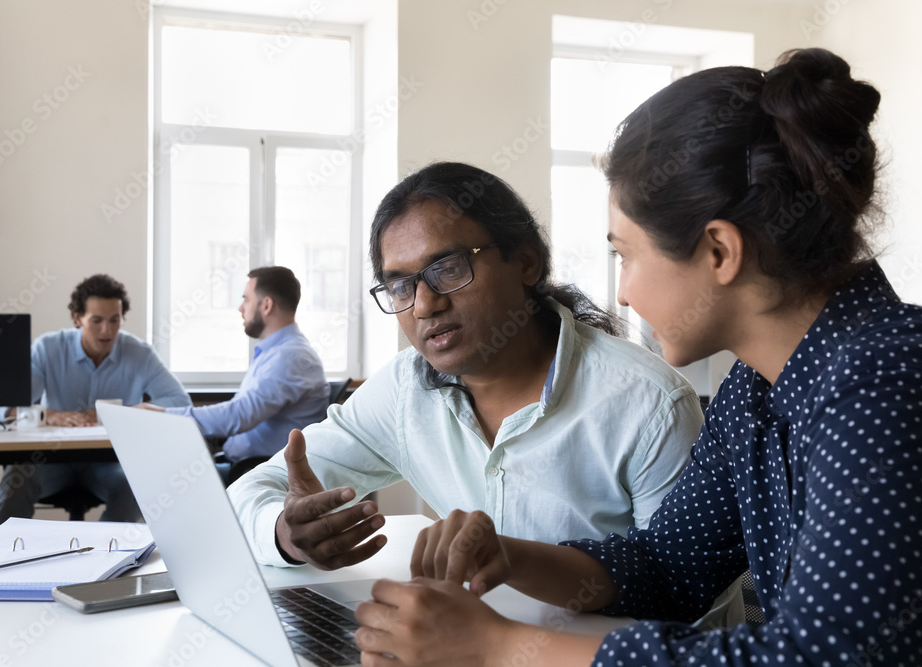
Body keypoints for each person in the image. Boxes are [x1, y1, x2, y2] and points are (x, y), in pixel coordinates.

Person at [353, 49, 922, 666]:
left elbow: (819, 657)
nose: (621, 291)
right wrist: (510, 556)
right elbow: (669, 567)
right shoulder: (754, 390)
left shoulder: (888, 379)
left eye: (627, 255)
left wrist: (497, 646)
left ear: (719, 253)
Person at [228, 161, 705, 573]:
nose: (424, 305)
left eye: (449, 268)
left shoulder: (648, 405)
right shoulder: (406, 388)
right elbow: (255, 488)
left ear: (526, 263)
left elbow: (684, 604)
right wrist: (286, 534)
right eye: (400, 286)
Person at [0, 274, 190, 526]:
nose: (107, 330)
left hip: (110, 462)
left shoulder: (139, 354)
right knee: (16, 476)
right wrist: (48, 414)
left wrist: (117, 414)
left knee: (137, 482)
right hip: (50, 460)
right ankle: (1, 556)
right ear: (78, 319)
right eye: (96, 320)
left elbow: (180, 403)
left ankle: (105, 557)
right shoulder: (48, 349)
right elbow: (4, 408)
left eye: (114, 320)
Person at [148, 266, 329, 471]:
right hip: (244, 465)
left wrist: (162, 416)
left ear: (267, 305)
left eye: (246, 299)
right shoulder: (276, 352)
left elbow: (239, 415)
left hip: (262, 471)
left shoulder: (290, 357)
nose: (240, 308)